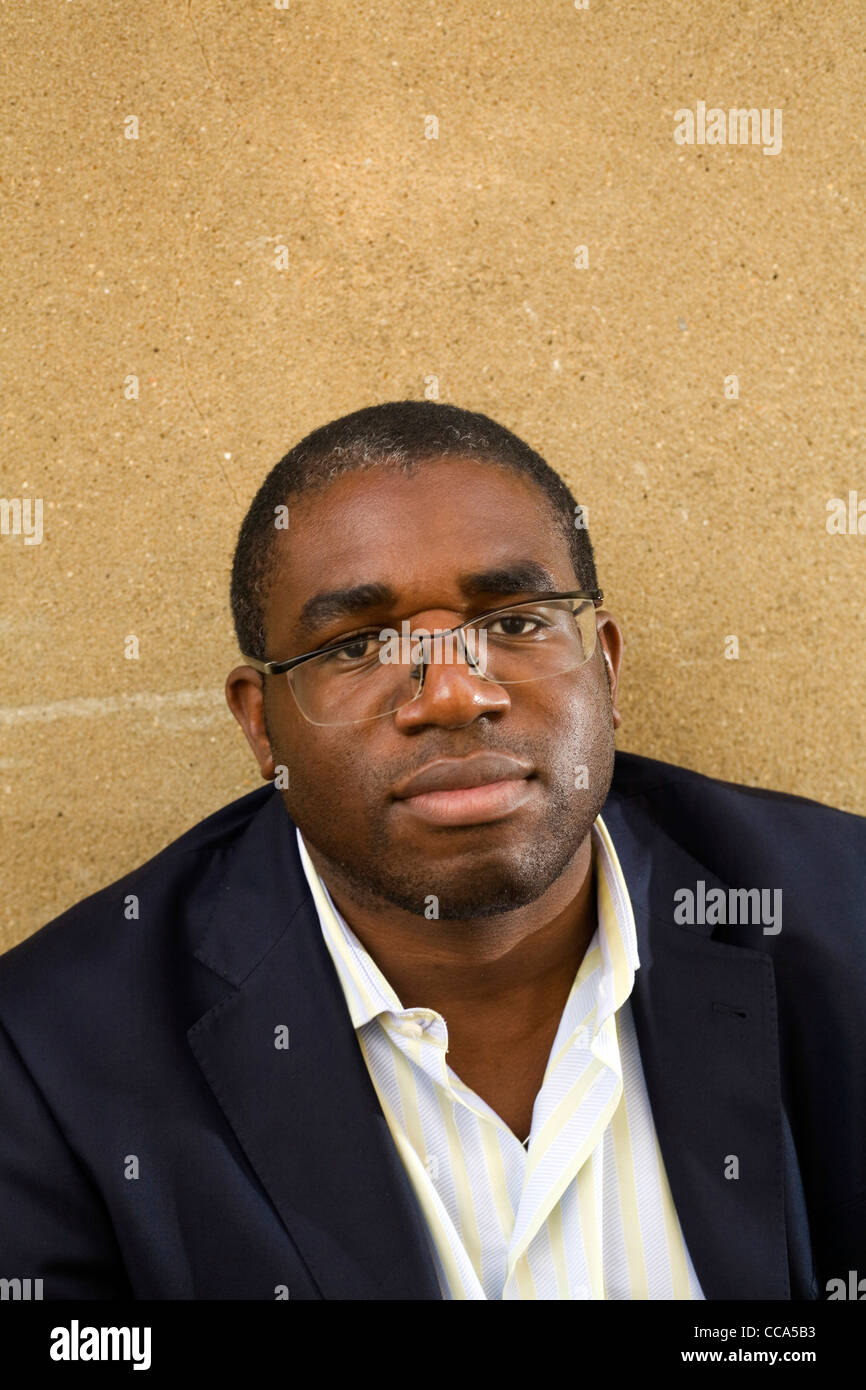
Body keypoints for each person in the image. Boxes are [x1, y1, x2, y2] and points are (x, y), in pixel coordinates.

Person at [0, 400, 863, 1300]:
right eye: (363, 645)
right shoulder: (54, 1059)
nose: (452, 694)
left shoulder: (844, 921)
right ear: (262, 725)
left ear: (604, 668)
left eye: (517, 622)